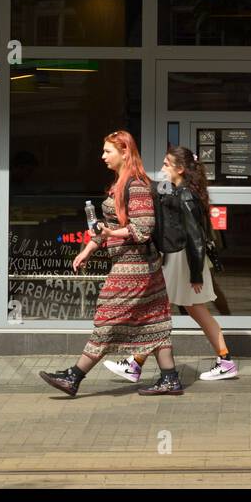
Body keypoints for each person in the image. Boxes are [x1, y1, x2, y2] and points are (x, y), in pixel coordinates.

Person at [38, 131, 183, 396]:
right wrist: (89, 250)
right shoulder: (120, 183)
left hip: (135, 267)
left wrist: (108, 235)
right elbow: (111, 227)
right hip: (137, 265)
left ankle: (74, 376)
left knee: (108, 318)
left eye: (108, 151)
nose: (102, 156)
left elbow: (143, 228)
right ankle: (170, 378)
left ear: (125, 152)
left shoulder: (137, 185)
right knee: (154, 321)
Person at [104, 145, 238, 382]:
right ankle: (224, 360)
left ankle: (135, 364)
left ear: (181, 168)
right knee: (187, 311)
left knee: (161, 310)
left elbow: (196, 238)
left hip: (184, 261)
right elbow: (159, 193)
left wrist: (195, 274)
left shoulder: (186, 195)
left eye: (166, 164)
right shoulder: (181, 190)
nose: (163, 168)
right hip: (183, 259)